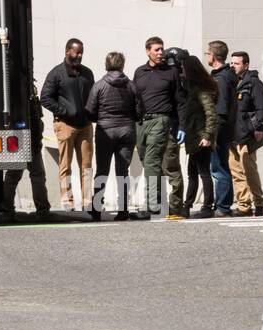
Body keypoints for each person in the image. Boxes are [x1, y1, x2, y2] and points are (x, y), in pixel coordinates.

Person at [40, 38, 96, 211]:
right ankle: (68, 201)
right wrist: (64, 112)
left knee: (86, 165)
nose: (79, 55)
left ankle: (87, 203)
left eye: (81, 52)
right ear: (67, 51)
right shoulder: (56, 73)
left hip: (85, 126)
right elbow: (45, 98)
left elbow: (93, 96)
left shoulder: (87, 73)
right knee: (65, 166)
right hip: (65, 126)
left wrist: (90, 113)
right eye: (76, 52)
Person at [86, 52, 139, 222]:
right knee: (122, 171)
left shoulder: (99, 85)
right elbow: (140, 111)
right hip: (126, 131)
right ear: (122, 65)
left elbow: (90, 111)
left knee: (102, 170)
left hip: (105, 132)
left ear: (106, 64)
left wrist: (101, 119)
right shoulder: (131, 86)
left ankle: (96, 208)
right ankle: (123, 210)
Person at [133, 36, 183, 218]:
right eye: (157, 50)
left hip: (161, 120)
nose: (161, 52)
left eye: (162, 49)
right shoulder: (140, 71)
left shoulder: (171, 72)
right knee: (145, 160)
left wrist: (181, 126)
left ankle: (152, 205)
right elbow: (134, 98)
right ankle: (159, 203)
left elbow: (180, 101)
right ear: (148, 51)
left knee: (151, 162)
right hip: (141, 122)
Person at [0, 80, 51, 222]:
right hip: (28, 141)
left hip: (17, 140)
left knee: (13, 176)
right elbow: (37, 121)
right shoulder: (28, 98)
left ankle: (7, 210)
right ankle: (42, 211)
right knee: (37, 175)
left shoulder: (10, 97)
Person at [230, 52, 263, 217]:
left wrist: (259, 128)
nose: (233, 66)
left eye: (236, 63)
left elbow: (262, 107)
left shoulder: (253, 83)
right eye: (231, 63)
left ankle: (259, 203)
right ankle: (244, 206)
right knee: (236, 171)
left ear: (246, 65)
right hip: (232, 133)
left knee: (249, 170)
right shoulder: (231, 82)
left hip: (248, 133)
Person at [180, 54, 219, 219]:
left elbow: (211, 114)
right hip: (194, 137)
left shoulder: (202, 91)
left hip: (201, 137)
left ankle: (207, 206)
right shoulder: (192, 88)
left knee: (203, 173)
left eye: (183, 69)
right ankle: (187, 206)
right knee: (192, 174)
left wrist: (207, 135)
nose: (181, 72)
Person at [206, 40, 238, 217]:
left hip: (219, 128)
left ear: (212, 55)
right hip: (225, 128)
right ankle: (223, 205)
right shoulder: (225, 75)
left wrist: (213, 131)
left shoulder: (221, 78)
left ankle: (223, 207)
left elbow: (221, 108)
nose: (206, 56)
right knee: (220, 166)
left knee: (219, 168)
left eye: (207, 53)